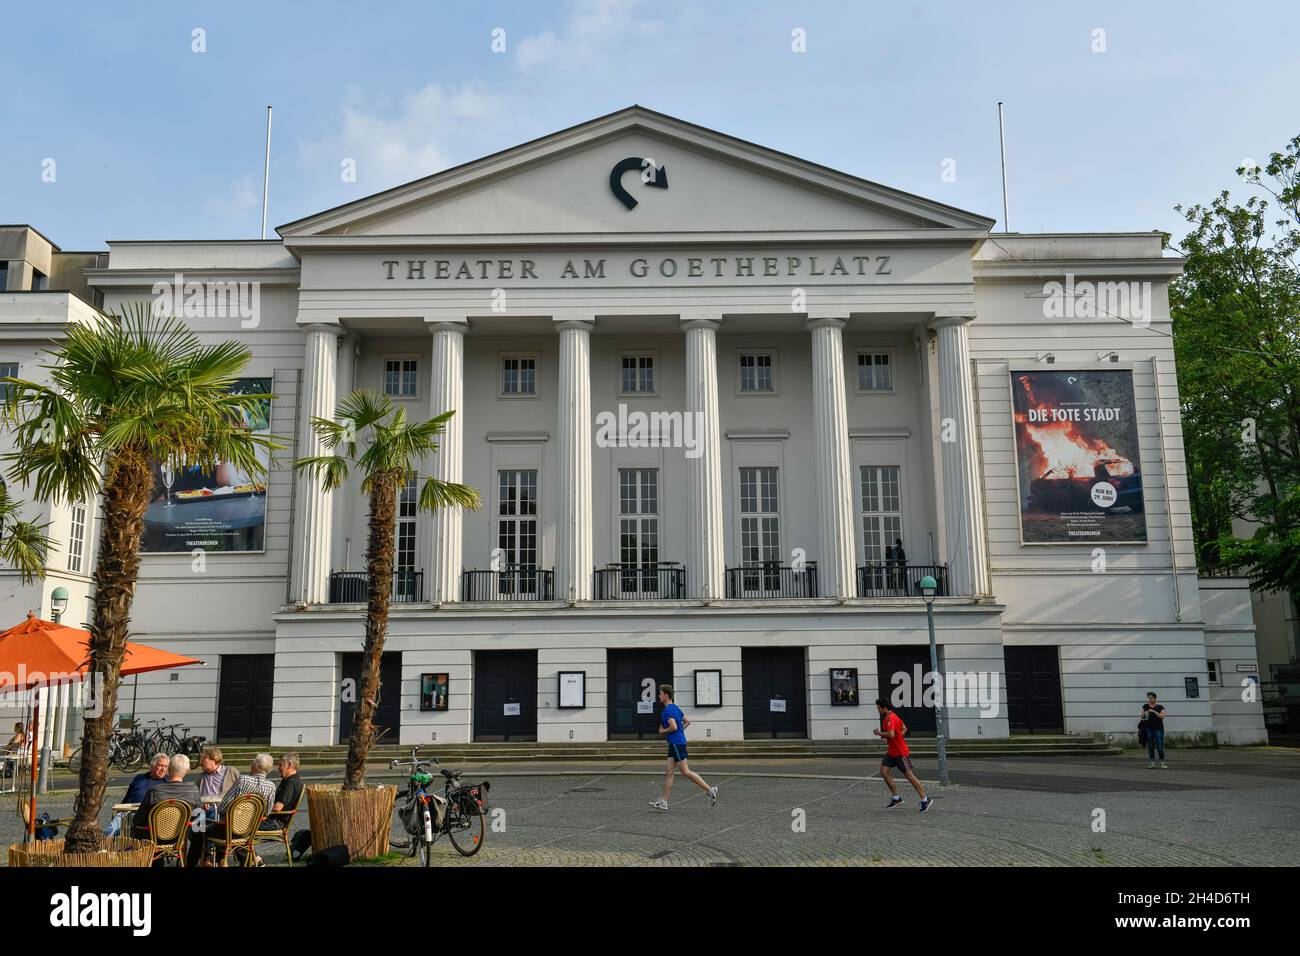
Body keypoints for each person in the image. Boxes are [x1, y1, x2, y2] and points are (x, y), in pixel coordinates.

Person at [190, 753, 277, 867]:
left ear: (255, 766)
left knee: (199, 829)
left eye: (252, 762)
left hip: (229, 829)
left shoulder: (243, 780)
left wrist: (226, 813)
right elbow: (266, 812)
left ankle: (191, 863)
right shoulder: (271, 787)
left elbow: (223, 807)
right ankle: (229, 860)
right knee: (221, 830)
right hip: (249, 830)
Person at [649, 684, 718, 811]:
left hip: (676, 743)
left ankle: (710, 789)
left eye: (660, 693)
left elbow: (674, 727)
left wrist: (663, 731)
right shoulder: (675, 707)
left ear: (665, 694)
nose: (659, 696)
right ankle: (663, 801)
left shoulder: (666, 711)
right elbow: (687, 722)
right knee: (669, 772)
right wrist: (679, 732)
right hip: (675, 743)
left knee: (685, 771)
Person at [874, 699, 931, 812]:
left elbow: (891, 734)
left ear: (883, 707)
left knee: (909, 775)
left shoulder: (890, 718)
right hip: (892, 752)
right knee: (884, 772)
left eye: (878, 707)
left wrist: (879, 733)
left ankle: (925, 799)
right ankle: (896, 798)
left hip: (900, 752)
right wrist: (895, 738)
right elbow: (904, 729)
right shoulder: (893, 716)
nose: (877, 709)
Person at [132, 753, 201, 840]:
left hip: (152, 838)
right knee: (200, 827)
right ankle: (197, 854)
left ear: (168, 769)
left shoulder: (155, 791)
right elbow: (198, 817)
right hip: (180, 837)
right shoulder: (193, 790)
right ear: (187, 771)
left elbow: (138, 820)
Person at [104, 753, 170, 836]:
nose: (163, 769)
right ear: (152, 766)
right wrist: (120, 809)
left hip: (148, 816)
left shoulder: (167, 783)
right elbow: (127, 797)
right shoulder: (139, 778)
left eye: (166, 766)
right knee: (112, 828)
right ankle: (104, 846)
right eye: (160, 765)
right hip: (129, 812)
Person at [260, 753, 305, 831]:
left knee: (241, 827)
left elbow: (277, 807)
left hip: (276, 823)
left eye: (280, 765)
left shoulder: (291, 783)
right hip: (274, 821)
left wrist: (260, 812)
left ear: (289, 765)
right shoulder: (288, 780)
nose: (278, 767)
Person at [196, 745, 240, 820]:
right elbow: (194, 794)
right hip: (203, 808)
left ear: (214, 759)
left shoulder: (231, 772)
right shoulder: (202, 776)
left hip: (221, 809)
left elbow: (240, 792)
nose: (202, 762)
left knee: (208, 819)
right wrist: (201, 804)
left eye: (204, 759)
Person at [1141, 692, 1168, 769]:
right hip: (1149, 729)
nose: (1150, 699)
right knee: (1150, 745)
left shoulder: (1160, 707)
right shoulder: (1145, 706)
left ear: (1155, 698)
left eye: (1152, 697)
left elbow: (1162, 716)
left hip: (1158, 729)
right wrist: (1145, 714)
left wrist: (1154, 711)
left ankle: (1162, 762)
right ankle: (1152, 762)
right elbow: (1143, 718)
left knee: (1160, 746)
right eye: (1149, 697)